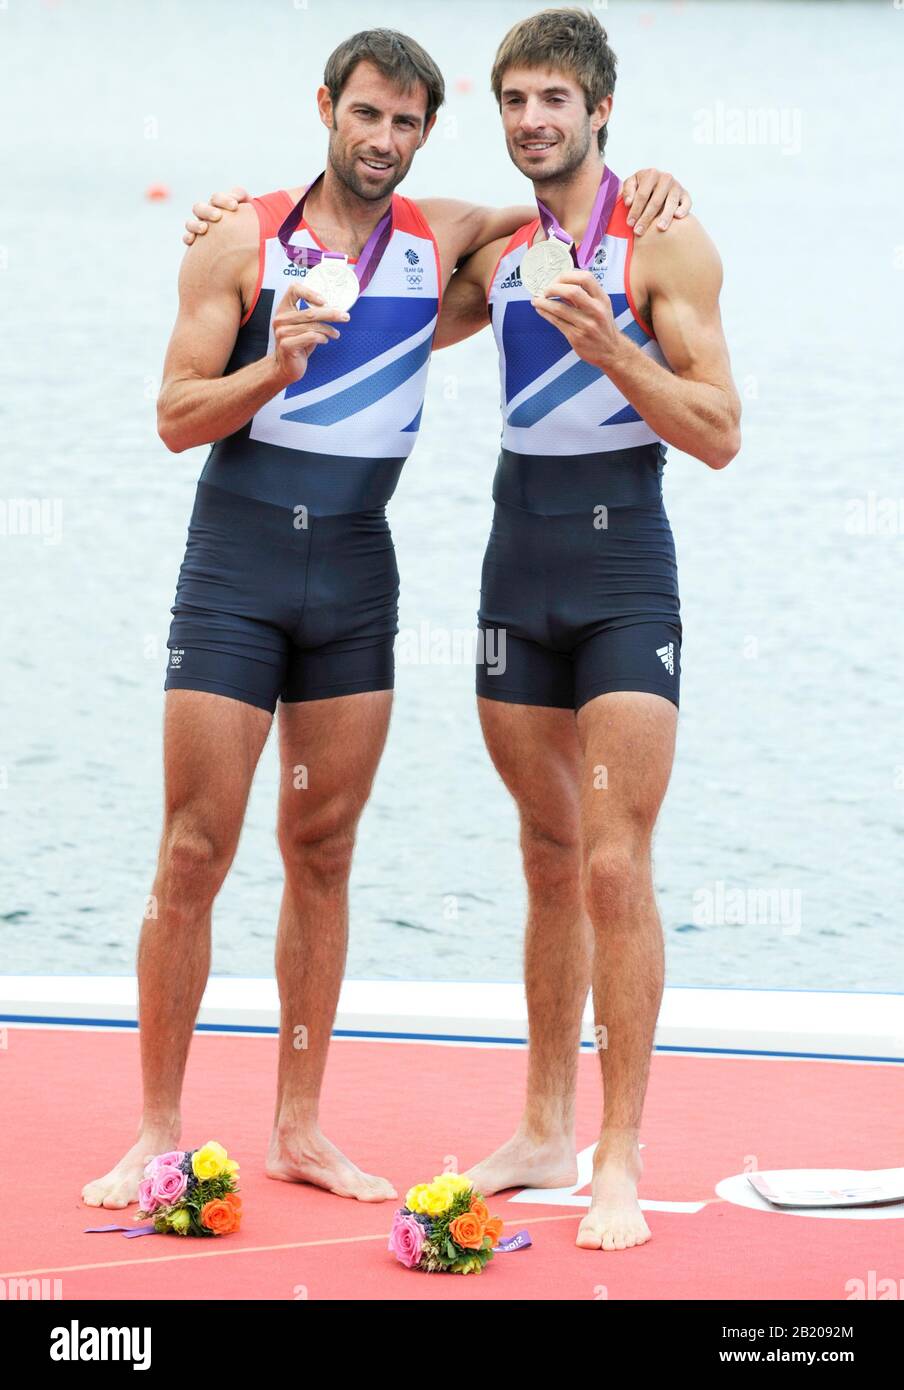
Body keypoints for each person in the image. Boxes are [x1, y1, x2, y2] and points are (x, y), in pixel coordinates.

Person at [82, 26, 689, 1211]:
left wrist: (663, 181)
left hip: (357, 580)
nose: (383, 140)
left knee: (323, 852)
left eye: (407, 123)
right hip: (237, 569)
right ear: (327, 108)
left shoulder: (444, 241)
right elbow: (171, 414)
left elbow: (570, 204)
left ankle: (298, 1126)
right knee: (194, 849)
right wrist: (274, 368)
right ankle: (153, 1126)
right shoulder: (244, 240)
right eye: (366, 116)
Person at [438, 8, 741, 1251]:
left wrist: (614, 347)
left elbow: (718, 431)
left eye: (555, 98)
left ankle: (617, 1153)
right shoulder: (501, 240)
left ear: (600, 107)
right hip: (518, 562)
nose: (532, 120)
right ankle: (544, 1122)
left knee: (617, 862)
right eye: (514, 100)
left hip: (624, 570)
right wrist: (222, 219)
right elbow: (356, 257)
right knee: (548, 856)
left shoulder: (663, 239)